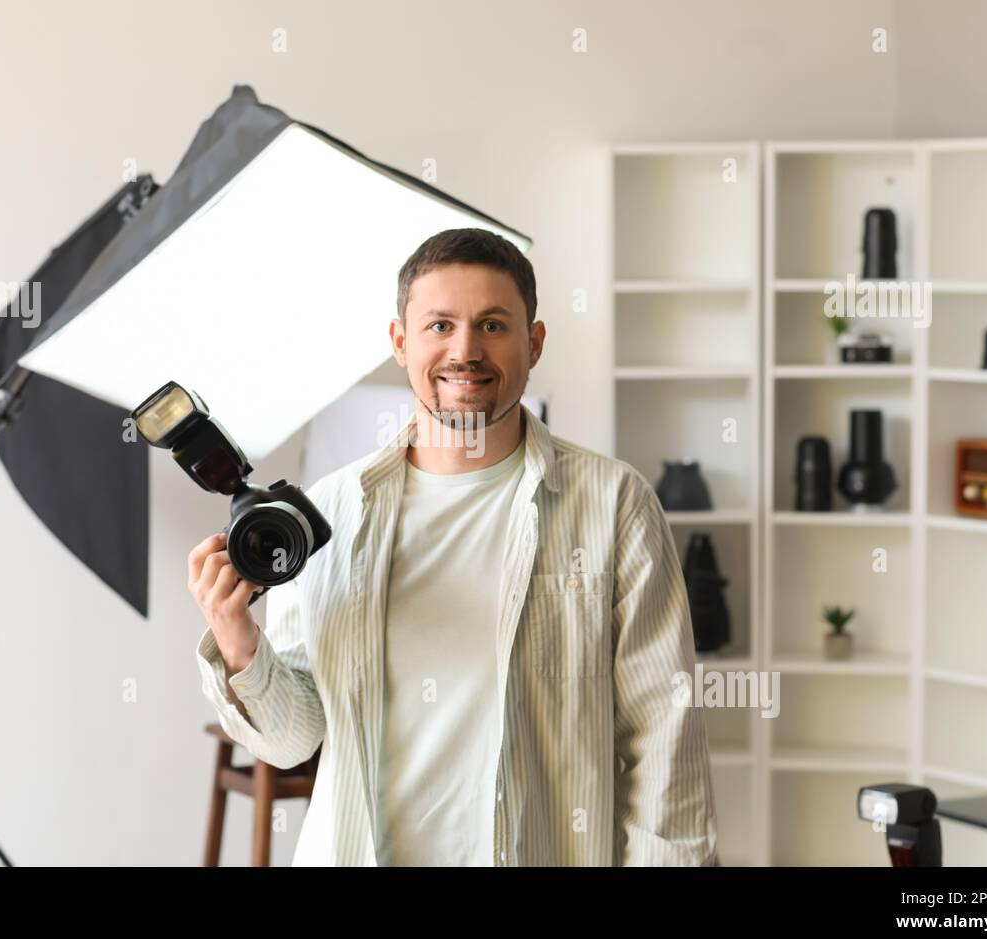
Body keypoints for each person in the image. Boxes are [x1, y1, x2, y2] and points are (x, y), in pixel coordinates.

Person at [190, 227, 718, 866]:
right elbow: (293, 739)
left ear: (535, 342)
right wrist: (237, 636)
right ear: (399, 342)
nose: (465, 350)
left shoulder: (614, 505)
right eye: (439, 325)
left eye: (493, 325)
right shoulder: (326, 514)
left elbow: (665, 740)